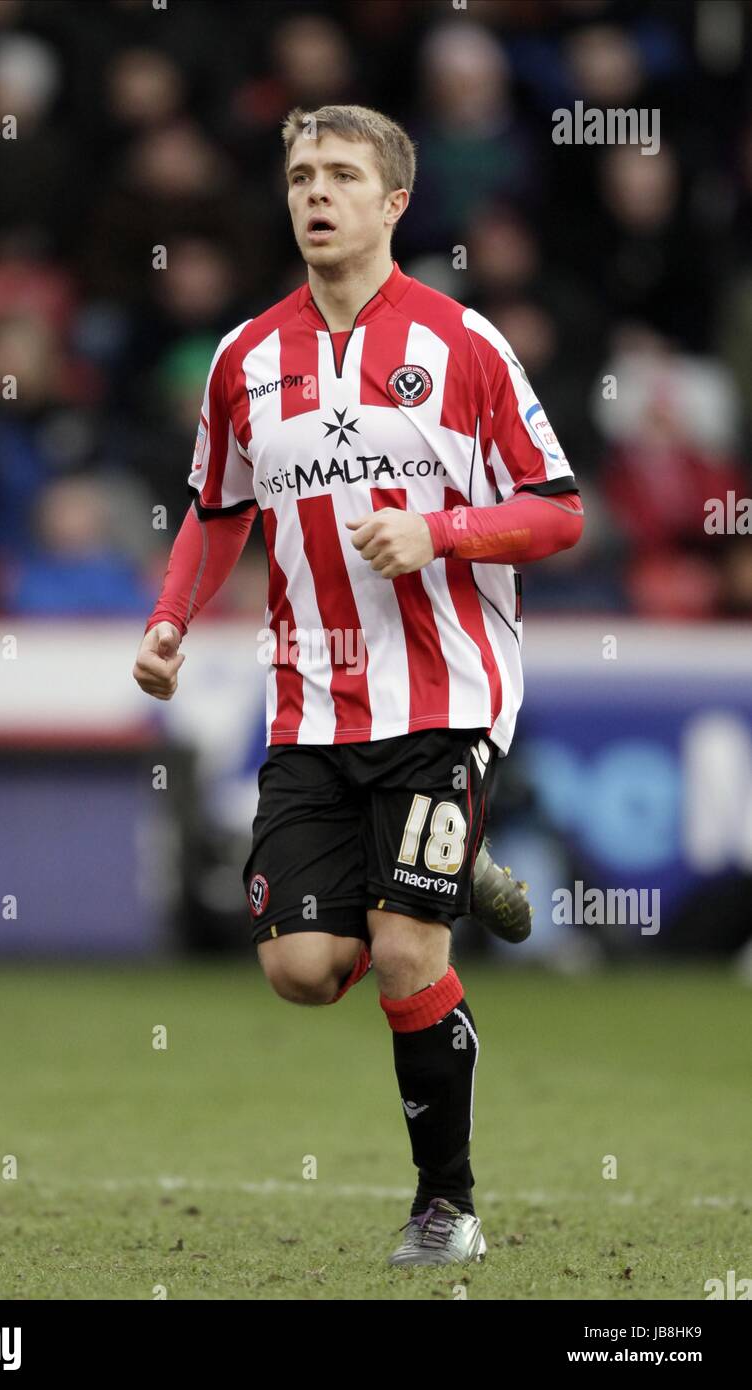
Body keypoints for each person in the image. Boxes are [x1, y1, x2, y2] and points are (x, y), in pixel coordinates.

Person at [133, 104, 583, 1266]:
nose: (314, 193)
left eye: (341, 175)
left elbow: (559, 509)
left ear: (392, 204)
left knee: (402, 952)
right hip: (311, 708)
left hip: (446, 701)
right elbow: (216, 509)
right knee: (300, 969)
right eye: (298, 176)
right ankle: (448, 859)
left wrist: (442, 534)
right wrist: (171, 622)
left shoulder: (464, 345)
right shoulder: (243, 359)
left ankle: (448, 1209)